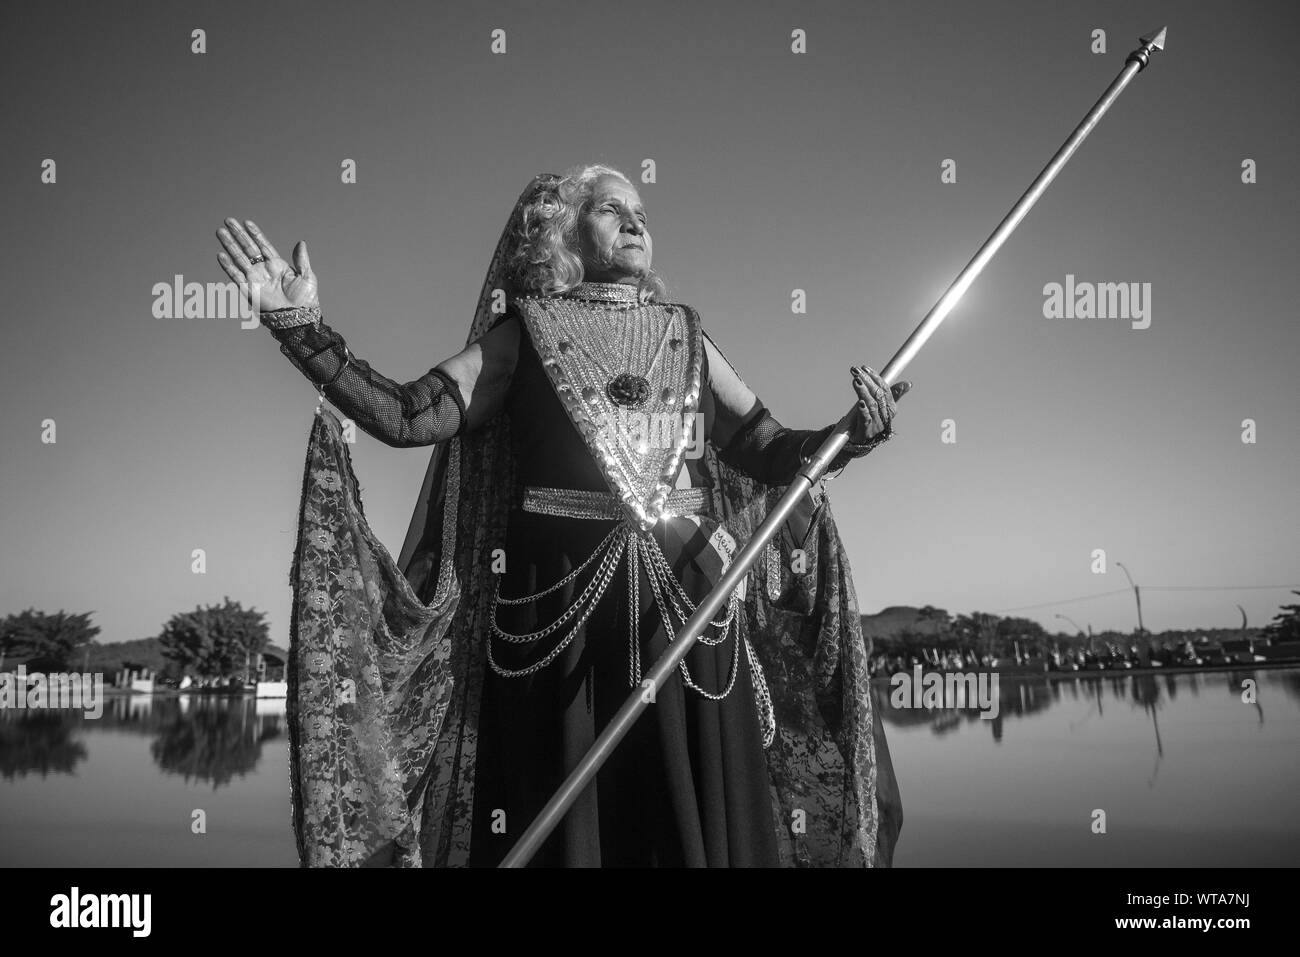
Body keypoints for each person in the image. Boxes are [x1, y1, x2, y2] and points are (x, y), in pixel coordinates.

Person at [216, 165, 905, 867]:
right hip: (558, 607)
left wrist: (849, 433)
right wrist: (299, 327)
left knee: (693, 815)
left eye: (641, 211)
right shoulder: (525, 334)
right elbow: (405, 414)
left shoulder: (685, 335)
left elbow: (767, 448)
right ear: (566, 231)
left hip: (692, 608)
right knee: (569, 824)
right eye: (611, 209)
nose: (636, 222)